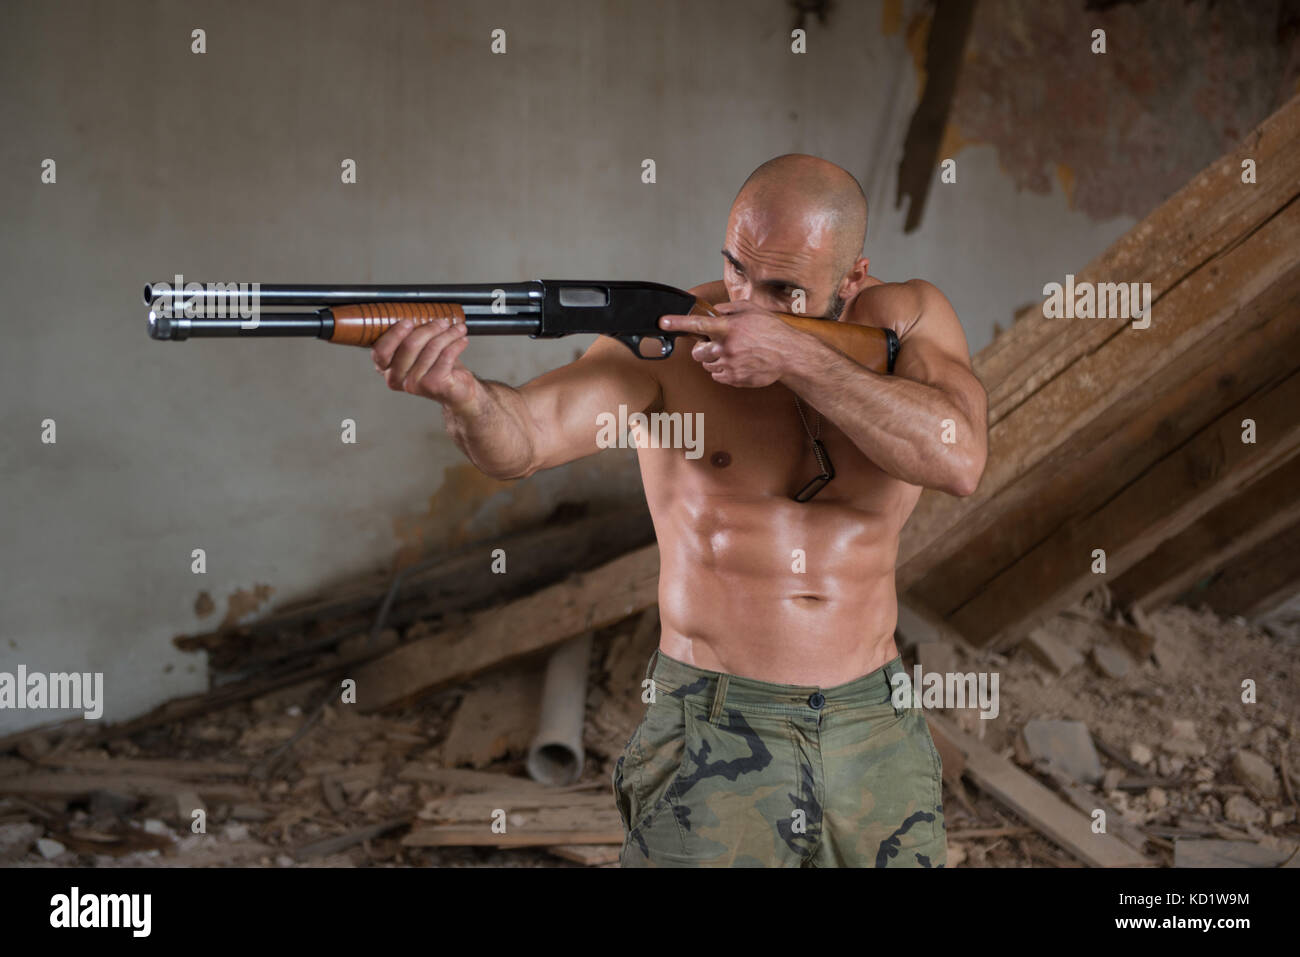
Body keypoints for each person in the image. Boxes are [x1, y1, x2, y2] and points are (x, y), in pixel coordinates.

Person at [370, 153, 988, 867]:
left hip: (871, 720)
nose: (744, 302)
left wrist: (796, 358)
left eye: (783, 289)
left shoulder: (909, 320)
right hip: (717, 724)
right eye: (736, 270)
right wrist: (468, 399)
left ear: (852, 278)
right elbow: (528, 439)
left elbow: (958, 459)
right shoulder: (668, 338)